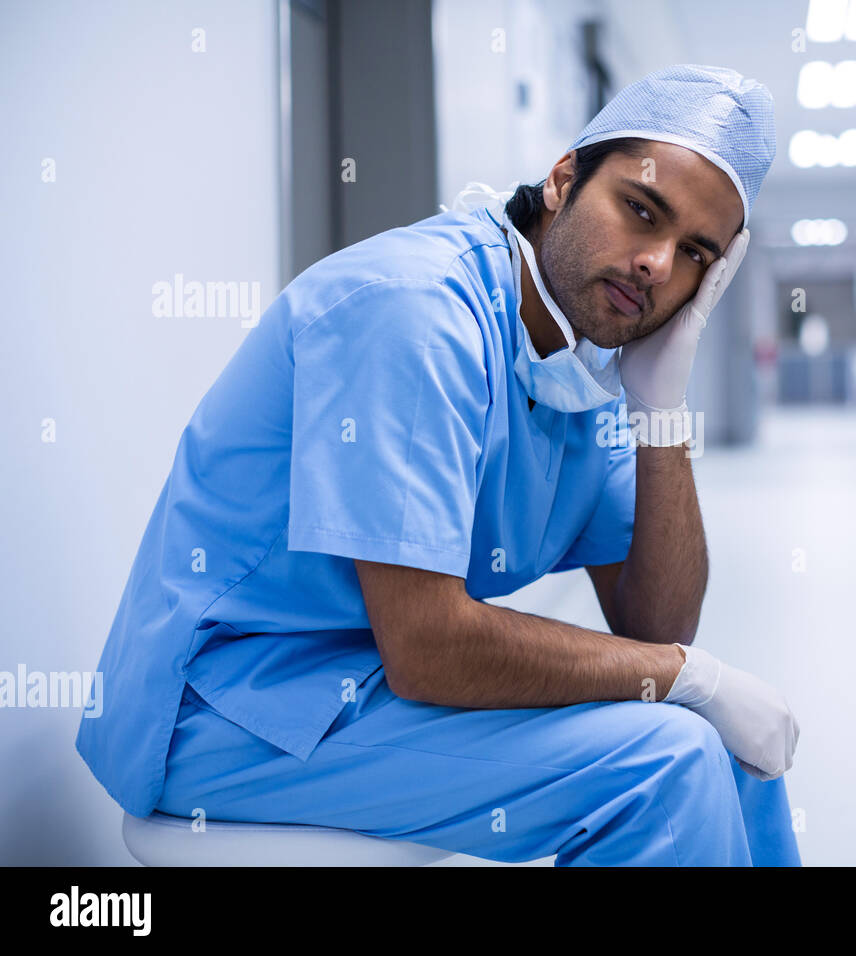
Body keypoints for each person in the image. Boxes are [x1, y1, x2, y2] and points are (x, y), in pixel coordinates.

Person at [75, 64, 801, 866]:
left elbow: (655, 624)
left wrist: (662, 414)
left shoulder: (582, 366)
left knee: (738, 749)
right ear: (564, 179)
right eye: (640, 209)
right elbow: (430, 647)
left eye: (694, 253)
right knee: (668, 764)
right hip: (224, 710)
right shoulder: (415, 313)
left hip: (362, 686)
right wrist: (683, 675)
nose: (657, 264)